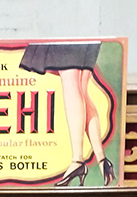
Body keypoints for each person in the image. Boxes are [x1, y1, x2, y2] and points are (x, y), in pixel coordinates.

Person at [19, 41, 115, 187]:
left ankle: (78, 161)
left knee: (70, 77)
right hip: (86, 35)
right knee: (81, 88)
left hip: (68, 35)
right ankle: (102, 160)